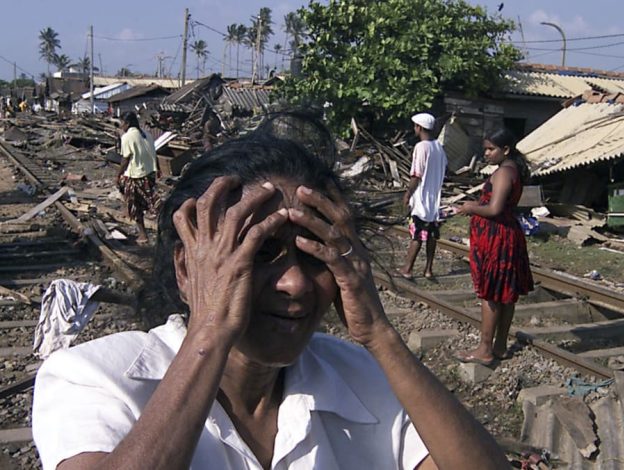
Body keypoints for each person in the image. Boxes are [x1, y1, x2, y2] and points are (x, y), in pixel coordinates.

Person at [32, 112, 509, 470]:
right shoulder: (96, 378)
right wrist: (211, 331)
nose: (296, 283)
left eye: (316, 253)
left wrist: (381, 335)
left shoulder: (361, 377)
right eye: (258, 254)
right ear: (186, 268)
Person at [453, 129, 534, 366]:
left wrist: (470, 207)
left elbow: (494, 209)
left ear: (505, 150)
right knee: (506, 293)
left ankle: (484, 349)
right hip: (507, 234)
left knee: (490, 294)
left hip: (496, 237)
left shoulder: (502, 174)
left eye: (491, 149)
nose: (486, 153)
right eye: (485, 148)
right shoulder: (513, 170)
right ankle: (499, 346)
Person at [398, 113, 447, 280]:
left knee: (417, 234)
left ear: (419, 127)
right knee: (432, 235)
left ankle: (407, 268)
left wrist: (408, 193)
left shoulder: (421, 147)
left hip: (421, 198)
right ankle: (428, 269)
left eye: (415, 126)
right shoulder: (439, 147)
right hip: (435, 199)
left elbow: (416, 175)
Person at [116, 111, 160, 244]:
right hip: (149, 174)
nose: (121, 126)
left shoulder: (127, 137)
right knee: (152, 203)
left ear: (127, 123)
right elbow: (154, 153)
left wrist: (118, 175)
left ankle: (143, 235)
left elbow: (125, 159)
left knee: (135, 207)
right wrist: (157, 168)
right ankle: (163, 229)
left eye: (122, 123)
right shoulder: (147, 134)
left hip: (135, 176)